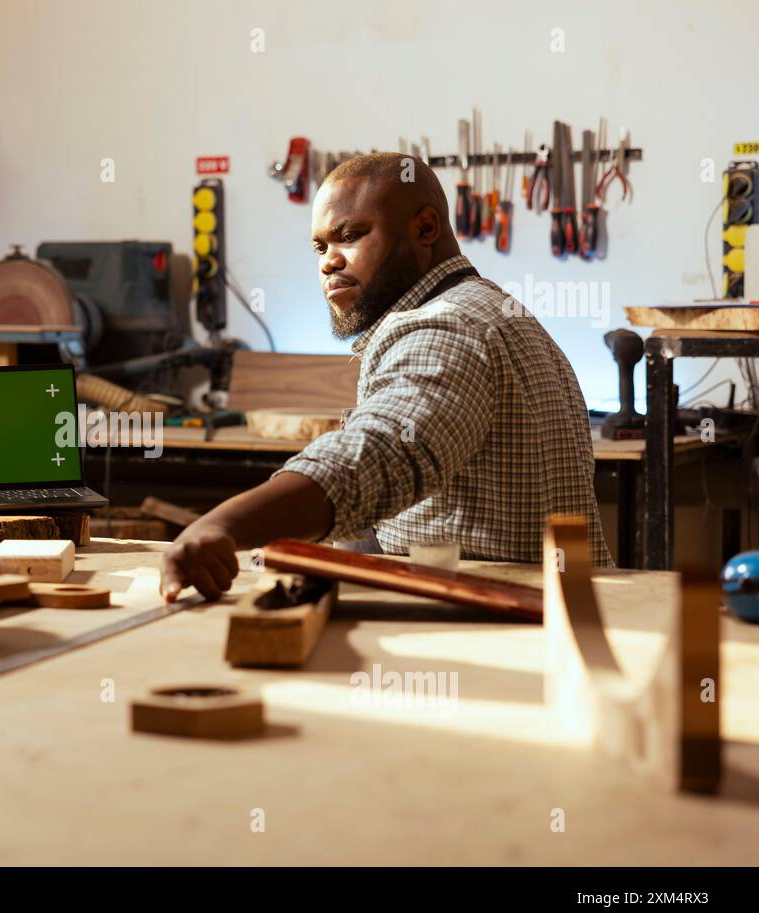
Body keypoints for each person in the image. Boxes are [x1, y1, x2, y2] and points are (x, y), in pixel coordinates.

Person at [161, 152, 610, 602]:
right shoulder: (495, 311)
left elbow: (379, 453)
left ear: (426, 229)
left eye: (350, 236)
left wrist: (224, 524)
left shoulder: (446, 325)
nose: (329, 262)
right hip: (552, 609)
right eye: (320, 247)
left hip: (495, 623)